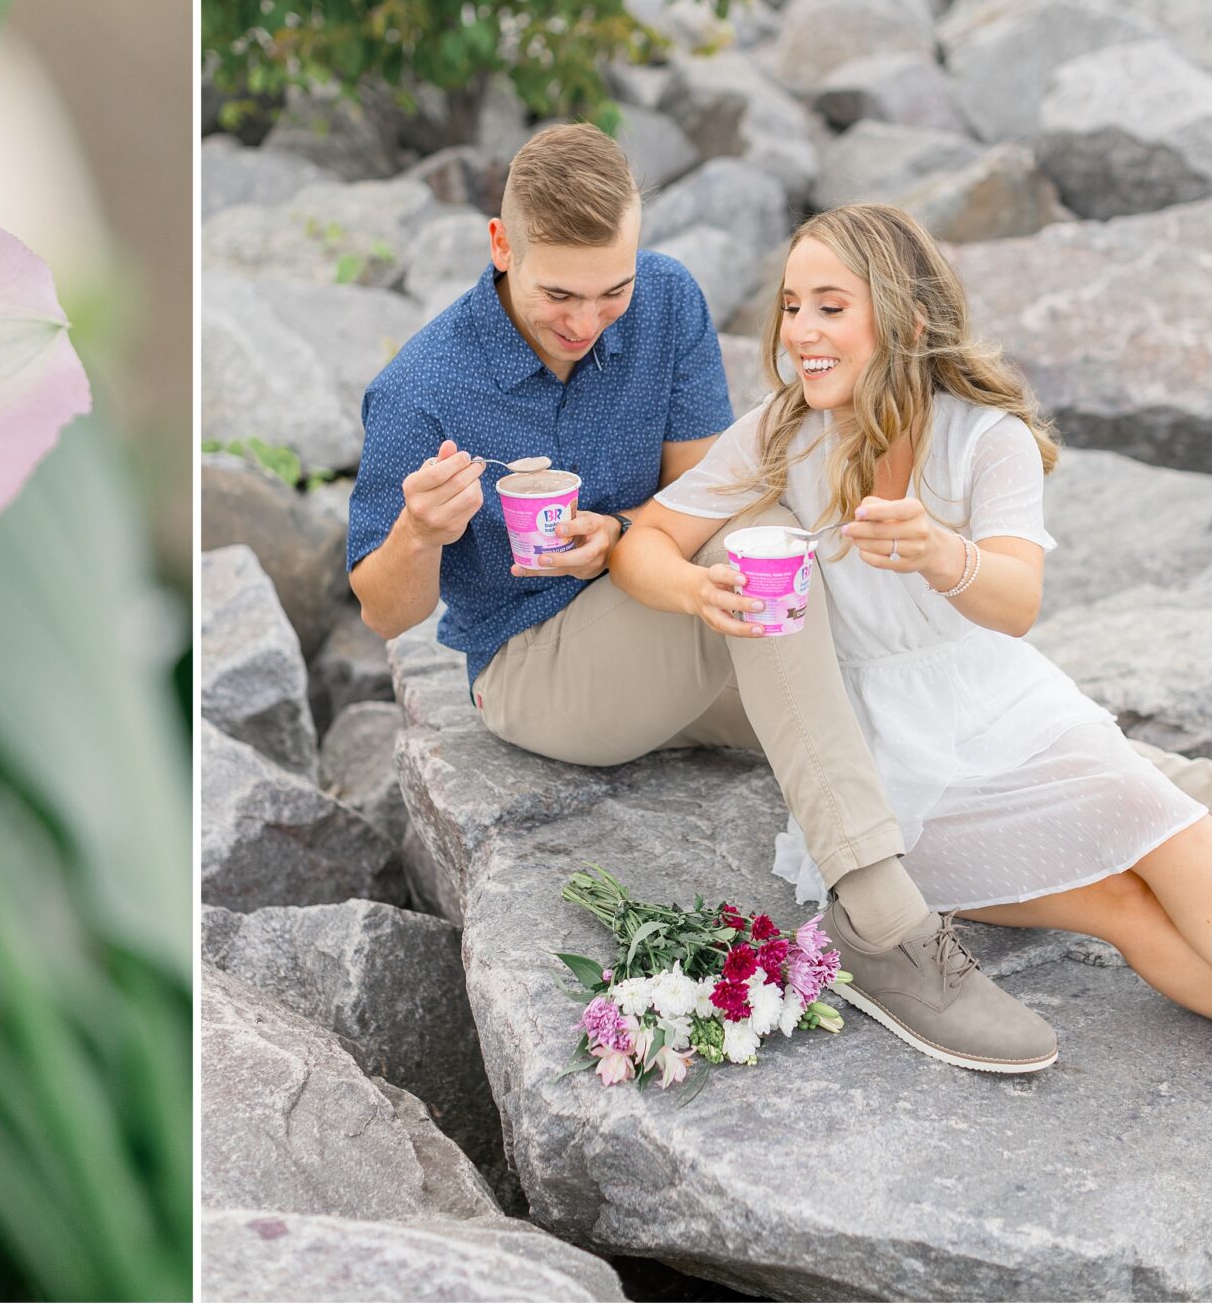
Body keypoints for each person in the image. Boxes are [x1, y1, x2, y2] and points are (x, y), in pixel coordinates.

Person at [347, 123, 1057, 1073]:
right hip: (534, 668)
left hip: (667, 629)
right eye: (560, 295)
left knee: (883, 693)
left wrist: (621, 537)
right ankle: (882, 923)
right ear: (501, 246)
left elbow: (703, 493)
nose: (588, 322)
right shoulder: (423, 387)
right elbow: (384, 613)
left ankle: (1113, 785)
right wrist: (419, 533)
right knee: (762, 552)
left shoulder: (668, 300)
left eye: (612, 290)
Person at [614, 202, 1212, 1043]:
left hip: (1011, 717)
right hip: (890, 775)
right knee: (1121, 902)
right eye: (791, 306)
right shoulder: (782, 433)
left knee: (1160, 824)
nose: (800, 331)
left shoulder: (985, 438)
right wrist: (693, 589)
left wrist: (941, 553)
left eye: (830, 306)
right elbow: (642, 542)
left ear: (908, 318)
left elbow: (1018, 602)